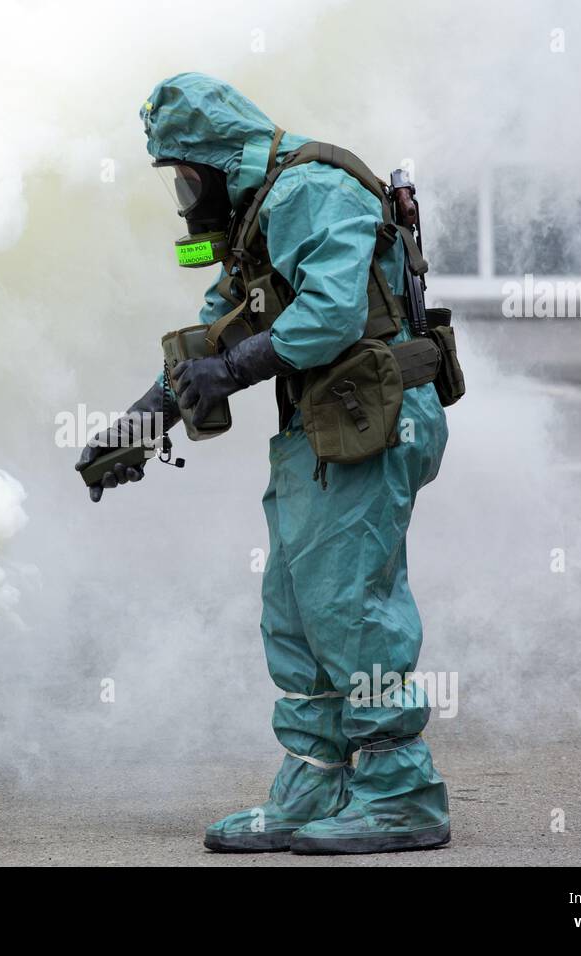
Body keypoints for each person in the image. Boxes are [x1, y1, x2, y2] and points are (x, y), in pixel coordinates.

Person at [76, 73, 451, 854]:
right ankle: (315, 780)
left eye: (186, 175)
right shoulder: (259, 216)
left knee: (347, 602)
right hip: (326, 425)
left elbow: (331, 313)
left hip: (373, 419)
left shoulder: (309, 191)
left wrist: (234, 371)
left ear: (218, 160)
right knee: (294, 604)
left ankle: (400, 789)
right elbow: (218, 333)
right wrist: (142, 421)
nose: (184, 194)